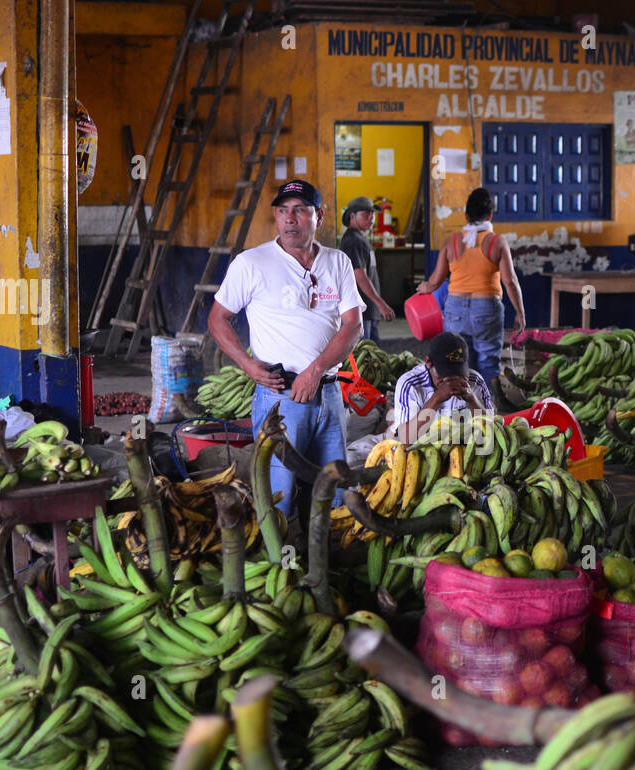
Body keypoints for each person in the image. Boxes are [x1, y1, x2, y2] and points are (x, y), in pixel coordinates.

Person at [206, 179, 364, 517]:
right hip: (281, 398)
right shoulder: (252, 263)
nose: (290, 218)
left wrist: (316, 370)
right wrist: (248, 365)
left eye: (300, 210)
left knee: (335, 490)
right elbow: (218, 319)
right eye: (282, 211)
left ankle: (328, 560)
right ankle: (283, 562)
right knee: (279, 493)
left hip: (330, 395)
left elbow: (354, 324)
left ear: (318, 216)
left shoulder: (338, 262)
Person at [417, 187, 526, 387]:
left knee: (457, 361)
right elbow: (510, 281)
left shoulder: (452, 241)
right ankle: (486, 409)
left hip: (455, 310)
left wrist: (424, 288)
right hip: (486, 310)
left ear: (466, 215)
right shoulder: (497, 242)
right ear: (490, 215)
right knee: (488, 362)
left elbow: (435, 281)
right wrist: (520, 312)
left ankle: (461, 408)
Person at [393, 332, 492, 444]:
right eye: (443, 374)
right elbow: (404, 439)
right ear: (428, 363)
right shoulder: (410, 385)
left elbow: (491, 430)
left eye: (457, 373)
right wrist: (436, 399)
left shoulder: (475, 381)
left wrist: (472, 400)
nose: (450, 380)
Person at [339, 196, 395, 344]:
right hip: (361, 312)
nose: (371, 218)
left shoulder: (359, 238)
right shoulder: (353, 241)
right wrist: (381, 304)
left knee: (374, 356)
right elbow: (360, 276)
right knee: (364, 358)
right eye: (366, 214)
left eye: (373, 214)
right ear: (352, 216)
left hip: (368, 311)